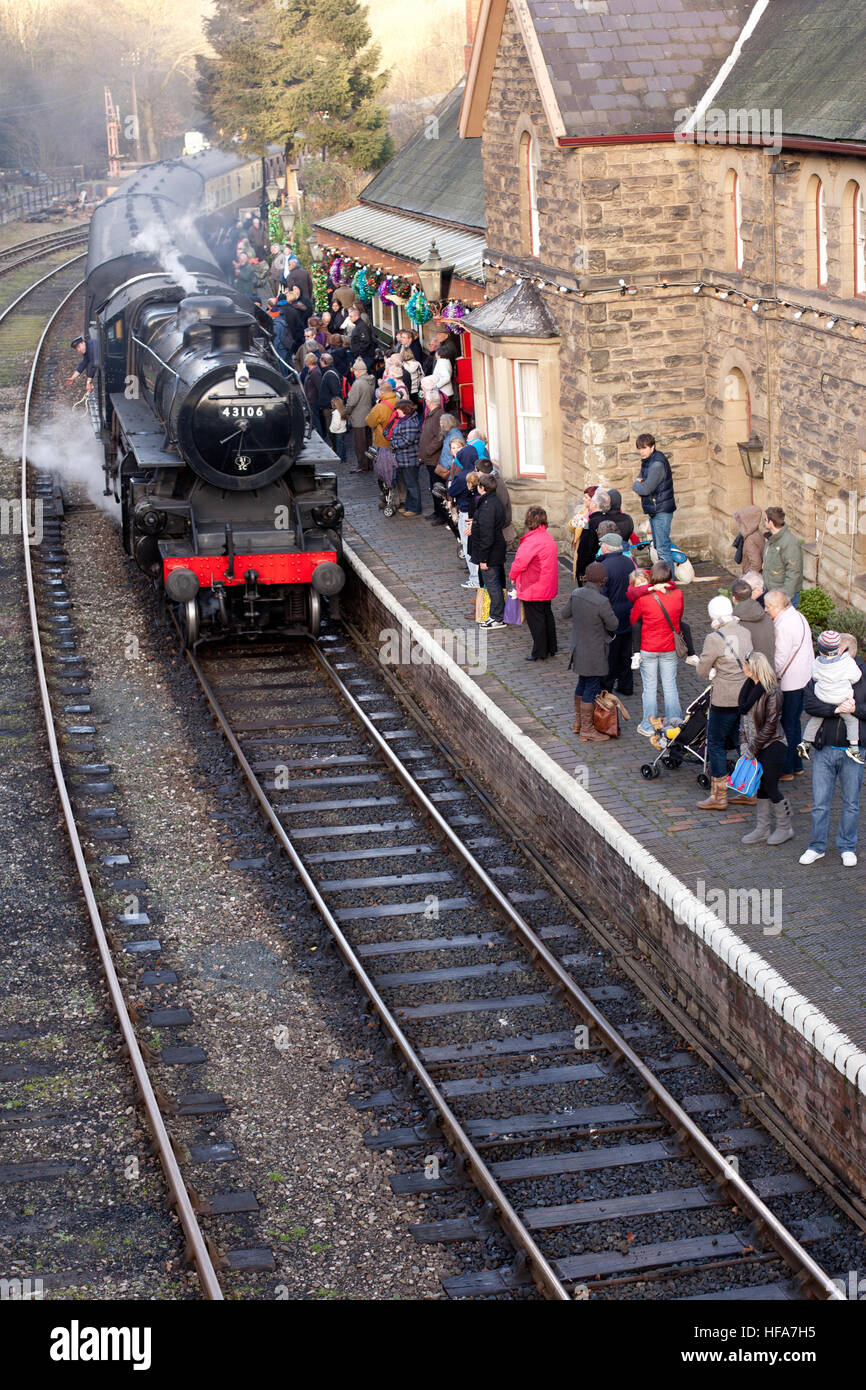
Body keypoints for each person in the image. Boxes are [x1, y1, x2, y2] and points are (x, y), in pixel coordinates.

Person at [799, 633, 866, 866]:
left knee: (851, 803)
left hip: (853, 752)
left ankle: (847, 846)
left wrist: (854, 708)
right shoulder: (822, 672)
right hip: (824, 747)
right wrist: (836, 708)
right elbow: (809, 703)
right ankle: (817, 847)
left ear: (847, 653)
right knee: (819, 803)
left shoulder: (860, 675)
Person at [696, 594, 752, 811]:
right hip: (745, 694)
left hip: (724, 697)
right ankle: (749, 788)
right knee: (742, 742)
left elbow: (702, 670)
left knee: (716, 743)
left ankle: (719, 796)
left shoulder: (714, 638)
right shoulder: (745, 632)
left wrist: (711, 670)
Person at [737, 650, 791, 845]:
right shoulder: (748, 688)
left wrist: (752, 748)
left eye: (745, 665)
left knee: (770, 785)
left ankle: (785, 828)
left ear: (754, 668)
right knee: (760, 786)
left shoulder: (773, 692)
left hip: (773, 744)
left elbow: (770, 724)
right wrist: (744, 743)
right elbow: (743, 720)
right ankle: (762, 829)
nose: (742, 668)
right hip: (755, 745)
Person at [562, 561, 619, 740]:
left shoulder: (576, 593)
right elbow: (613, 624)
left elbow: (564, 614)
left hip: (578, 648)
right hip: (594, 651)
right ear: (602, 581)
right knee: (592, 686)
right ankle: (587, 729)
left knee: (582, 683)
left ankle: (578, 723)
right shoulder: (602, 601)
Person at [629, 560, 684, 737]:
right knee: (670, 686)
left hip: (648, 647)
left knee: (650, 689)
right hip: (669, 647)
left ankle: (647, 725)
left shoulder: (644, 599)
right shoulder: (678, 595)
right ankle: (674, 723)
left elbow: (633, 619)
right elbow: (679, 616)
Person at [764, 588, 812, 780]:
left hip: (791, 682)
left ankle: (787, 768)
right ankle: (797, 764)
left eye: (768, 607)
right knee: (795, 723)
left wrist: (769, 677)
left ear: (777, 606)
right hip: (804, 678)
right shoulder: (798, 616)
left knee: (787, 726)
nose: (766, 610)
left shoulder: (783, 626)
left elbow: (780, 658)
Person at [799, 630, 865, 764]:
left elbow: (810, 702)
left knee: (815, 720)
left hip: (823, 697)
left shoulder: (818, 663)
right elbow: (809, 704)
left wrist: (855, 709)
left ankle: (805, 742)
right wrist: (844, 709)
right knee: (852, 721)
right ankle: (854, 747)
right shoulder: (850, 666)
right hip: (826, 745)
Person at [509, 507, 559, 660]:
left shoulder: (532, 540)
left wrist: (512, 575)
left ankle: (539, 651)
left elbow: (520, 563)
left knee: (535, 620)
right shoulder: (546, 537)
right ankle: (551, 647)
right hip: (546, 584)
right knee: (546, 615)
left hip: (534, 585)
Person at [597, 528, 637, 695]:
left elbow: (602, 596)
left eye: (602, 544)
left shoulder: (603, 567)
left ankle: (606, 687)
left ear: (606, 547)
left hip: (612, 616)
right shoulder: (629, 563)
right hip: (629, 613)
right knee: (626, 653)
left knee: (610, 655)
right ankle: (626, 685)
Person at [632, 433, 676, 569]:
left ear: (652, 447)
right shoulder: (648, 461)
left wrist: (636, 485)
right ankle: (664, 579)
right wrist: (640, 483)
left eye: (644, 448)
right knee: (658, 547)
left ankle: (669, 582)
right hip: (655, 509)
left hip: (661, 510)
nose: (641, 451)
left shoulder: (656, 464)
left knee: (663, 549)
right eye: (639, 448)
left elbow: (644, 489)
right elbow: (641, 480)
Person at [471, 476, 508, 628]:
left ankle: (497, 617)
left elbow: (487, 535)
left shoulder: (487, 506)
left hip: (491, 553)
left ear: (482, 487)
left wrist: (483, 558)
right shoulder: (495, 501)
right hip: (497, 548)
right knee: (496, 584)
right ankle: (498, 613)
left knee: (493, 585)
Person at [762, 507, 803, 605]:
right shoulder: (772, 539)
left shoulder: (789, 543)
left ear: (771, 522)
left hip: (783, 597)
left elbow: (793, 572)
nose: (764, 522)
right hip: (772, 593)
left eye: (765, 520)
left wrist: (784, 598)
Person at [389, 400, 423, 517]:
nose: (396, 411)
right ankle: (409, 506)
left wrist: (394, 443)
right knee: (408, 484)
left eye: (398, 409)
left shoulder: (409, 422)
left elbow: (407, 440)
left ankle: (415, 508)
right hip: (403, 458)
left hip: (409, 459)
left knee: (412, 484)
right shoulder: (404, 420)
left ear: (404, 409)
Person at [731, 577, 775, 661]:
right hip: (768, 670)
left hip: (749, 671)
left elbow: (731, 656)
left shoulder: (733, 623)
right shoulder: (768, 617)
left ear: (733, 598)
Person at [418, 393, 447, 523]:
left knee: (438, 486)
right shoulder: (433, 414)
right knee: (433, 485)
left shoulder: (438, 415)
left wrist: (428, 450)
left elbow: (439, 437)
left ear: (430, 401)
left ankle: (442, 515)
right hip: (430, 458)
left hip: (434, 458)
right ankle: (437, 511)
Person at [346, 359, 375, 472]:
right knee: (368, 442)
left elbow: (352, 402)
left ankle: (362, 465)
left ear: (358, 371)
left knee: (360, 444)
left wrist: (346, 412)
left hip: (358, 417)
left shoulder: (358, 383)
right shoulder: (370, 380)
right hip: (368, 414)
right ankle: (369, 464)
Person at [575, 488, 611, 581]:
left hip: (591, 568)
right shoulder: (609, 519)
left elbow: (584, 549)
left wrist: (580, 571)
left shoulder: (590, 523)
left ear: (595, 505)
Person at [317, 353, 343, 442]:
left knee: (331, 430)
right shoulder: (329, 372)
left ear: (324, 362)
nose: (319, 362)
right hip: (328, 406)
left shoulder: (330, 375)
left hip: (329, 408)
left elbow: (335, 392)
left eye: (320, 360)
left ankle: (335, 450)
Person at [733, 503, 764, 574]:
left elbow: (756, 565)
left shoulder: (750, 540)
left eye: (742, 522)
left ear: (747, 522)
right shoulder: (757, 533)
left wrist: (747, 578)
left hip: (752, 580)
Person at [347, 305, 375, 370]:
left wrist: (358, 353)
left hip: (364, 357)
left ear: (357, 316)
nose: (349, 318)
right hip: (361, 356)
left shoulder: (362, 327)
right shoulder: (359, 326)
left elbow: (366, 341)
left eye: (351, 316)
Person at [301, 353, 323, 436]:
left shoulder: (315, 373)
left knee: (316, 420)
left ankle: (320, 435)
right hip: (310, 399)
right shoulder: (311, 371)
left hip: (314, 400)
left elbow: (319, 387)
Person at [329, 396, 348, 463]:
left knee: (339, 446)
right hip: (342, 430)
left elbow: (336, 424)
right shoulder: (342, 411)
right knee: (342, 445)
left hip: (338, 432)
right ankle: (344, 458)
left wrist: (332, 429)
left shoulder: (336, 413)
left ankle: (340, 459)